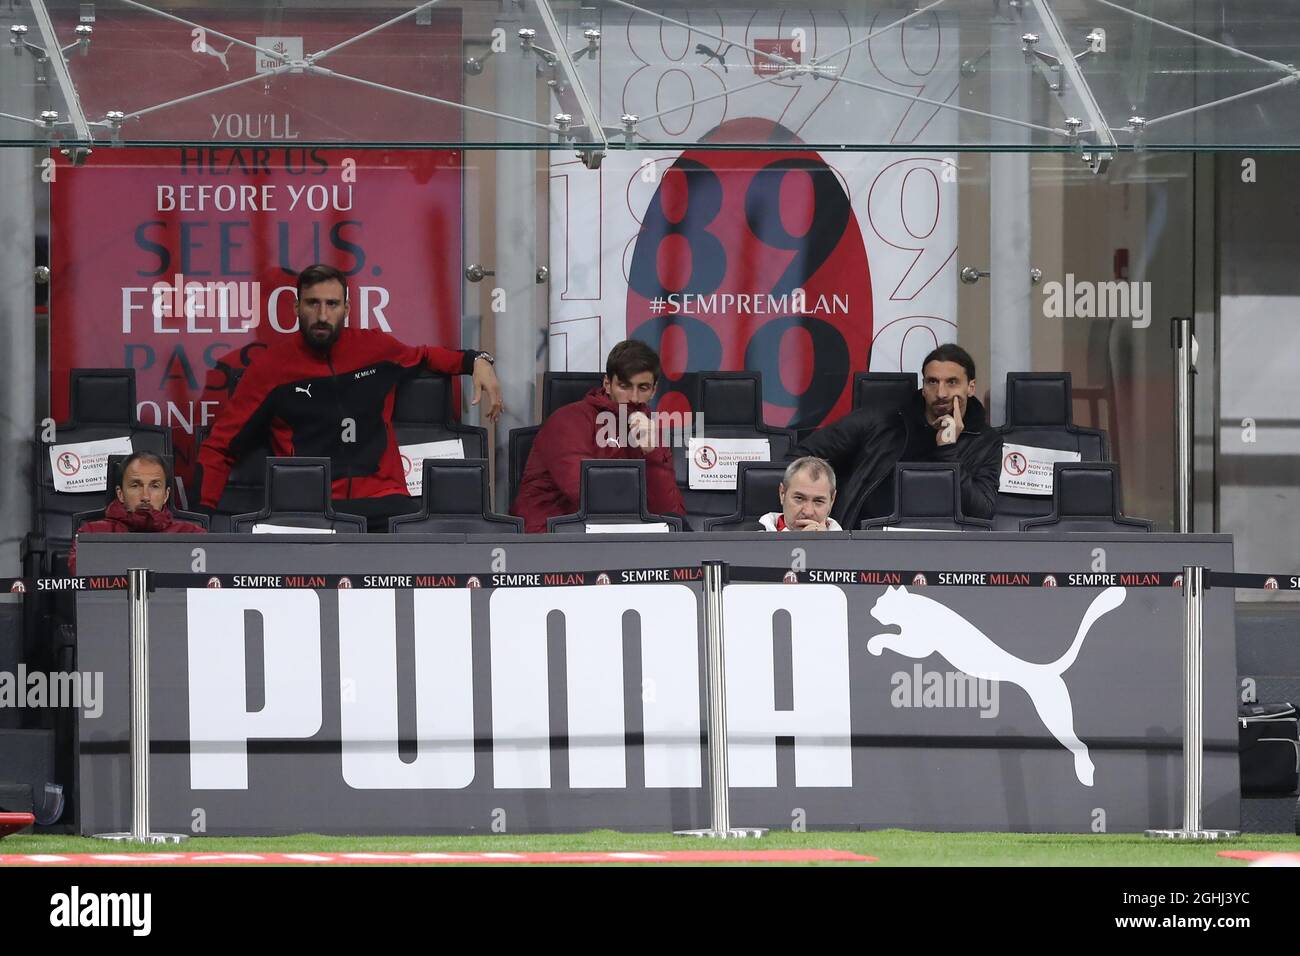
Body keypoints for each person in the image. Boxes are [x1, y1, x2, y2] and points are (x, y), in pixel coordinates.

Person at [195, 264, 504, 532]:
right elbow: (219, 446)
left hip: (385, 505)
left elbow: (425, 356)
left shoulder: (376, 348)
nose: (322, 315)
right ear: (296, 307)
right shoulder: (269, 369)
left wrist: (477, 360)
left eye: (331, 304)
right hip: (309, 510)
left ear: (347, 308)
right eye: (312, 303)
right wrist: (199, 523)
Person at [791, 343, 1000, 529]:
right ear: (924, 386)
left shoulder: (986, 441)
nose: (941, 393)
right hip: (868, 538)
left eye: (952, 382)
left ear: (970, 387)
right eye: (932, 382)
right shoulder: (881, 420)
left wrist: (948, 450)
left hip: (942, 544)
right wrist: (819, 504)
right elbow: (801, 457)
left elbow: (982, 511)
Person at [513, 339, 687, 533]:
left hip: (615, 535)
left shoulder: (650, 432)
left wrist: (653, 454)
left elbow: (671, 515)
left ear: (654, 390)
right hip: (552, 534)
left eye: (643, 388)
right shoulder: (568, 421)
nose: (634, 398)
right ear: (607, 384)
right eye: (624, 386)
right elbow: (589, 496)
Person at [69, 452, 206, 573]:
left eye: (155, 486)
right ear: (120, 494)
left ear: (166, 495)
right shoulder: (92, 534)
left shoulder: (193, 536)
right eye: (135, 485)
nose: (145, 496)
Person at [759, 457, 842, 531]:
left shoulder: (849, 546)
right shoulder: (751, 543)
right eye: (799, 498)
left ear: (832, 501)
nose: (808, 512)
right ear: (782, 494)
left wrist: (827, 545)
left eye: (818, 501)